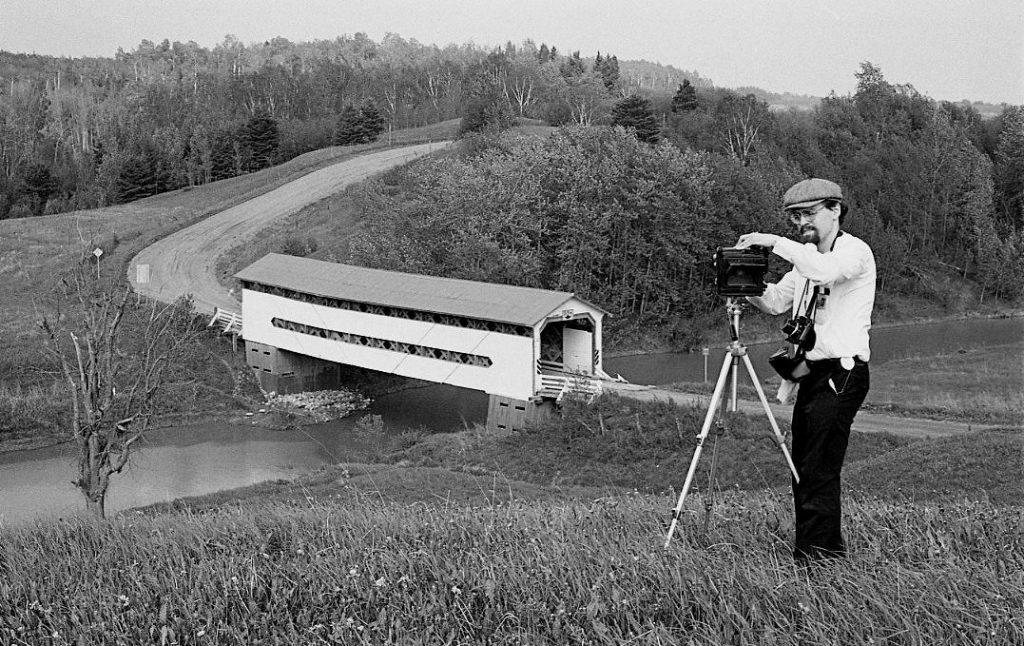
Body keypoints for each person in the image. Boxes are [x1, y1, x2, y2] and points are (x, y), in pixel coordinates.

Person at [734, 178, 876, 563]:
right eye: (795, 217)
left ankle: (817, 560)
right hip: (812, 374)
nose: (801, 223)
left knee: (817, 470)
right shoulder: (809, 258)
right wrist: (742, 282)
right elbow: (777, 301)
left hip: (843, 373)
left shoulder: (853, 253)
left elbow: (826, 272)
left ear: (835, 209)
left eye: (808, 214)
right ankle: (821, 551)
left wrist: (773, 241)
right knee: (805, 469)